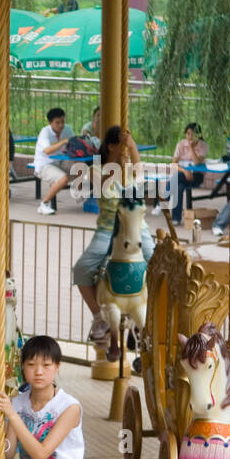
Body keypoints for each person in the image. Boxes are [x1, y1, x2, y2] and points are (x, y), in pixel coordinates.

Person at [72, 125, 156, 360]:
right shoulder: (94, 169)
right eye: (122, 146)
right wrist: (117, 163)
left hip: (138, 227)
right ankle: (100, 317)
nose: (127, 153)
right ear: (111, 146)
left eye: (129, 149)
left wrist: (130, 144)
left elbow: (139, 166)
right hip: (108, 229)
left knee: (160, 264)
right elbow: (102, 184)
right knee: (81, 269)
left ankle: (155, 317)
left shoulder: (131, 169)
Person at [33, 107, 72, 215]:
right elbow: (48, 151)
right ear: (50, 123)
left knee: (85, 168)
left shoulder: (67, 129)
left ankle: (93, 197)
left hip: (61, 161)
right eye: (57, 123)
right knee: (64, 179)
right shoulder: (45, 132)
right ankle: (43, 204)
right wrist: (63, 142)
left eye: (62, 121)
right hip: (44, 165)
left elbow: (73, 142)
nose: (61, 125)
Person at [167, 123, 208, 223]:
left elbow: (197, 163)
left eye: (193, 134)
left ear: (199, 135)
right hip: (182, 174)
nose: (190, 137)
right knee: (179, 186)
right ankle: (176, 219)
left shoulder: (203, 146)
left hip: (196, 175)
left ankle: (165, 198)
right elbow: (173, 164)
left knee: (177, 178)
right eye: (188, 134)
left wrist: (190, 147)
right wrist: (185, 171)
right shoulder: (180, 144)